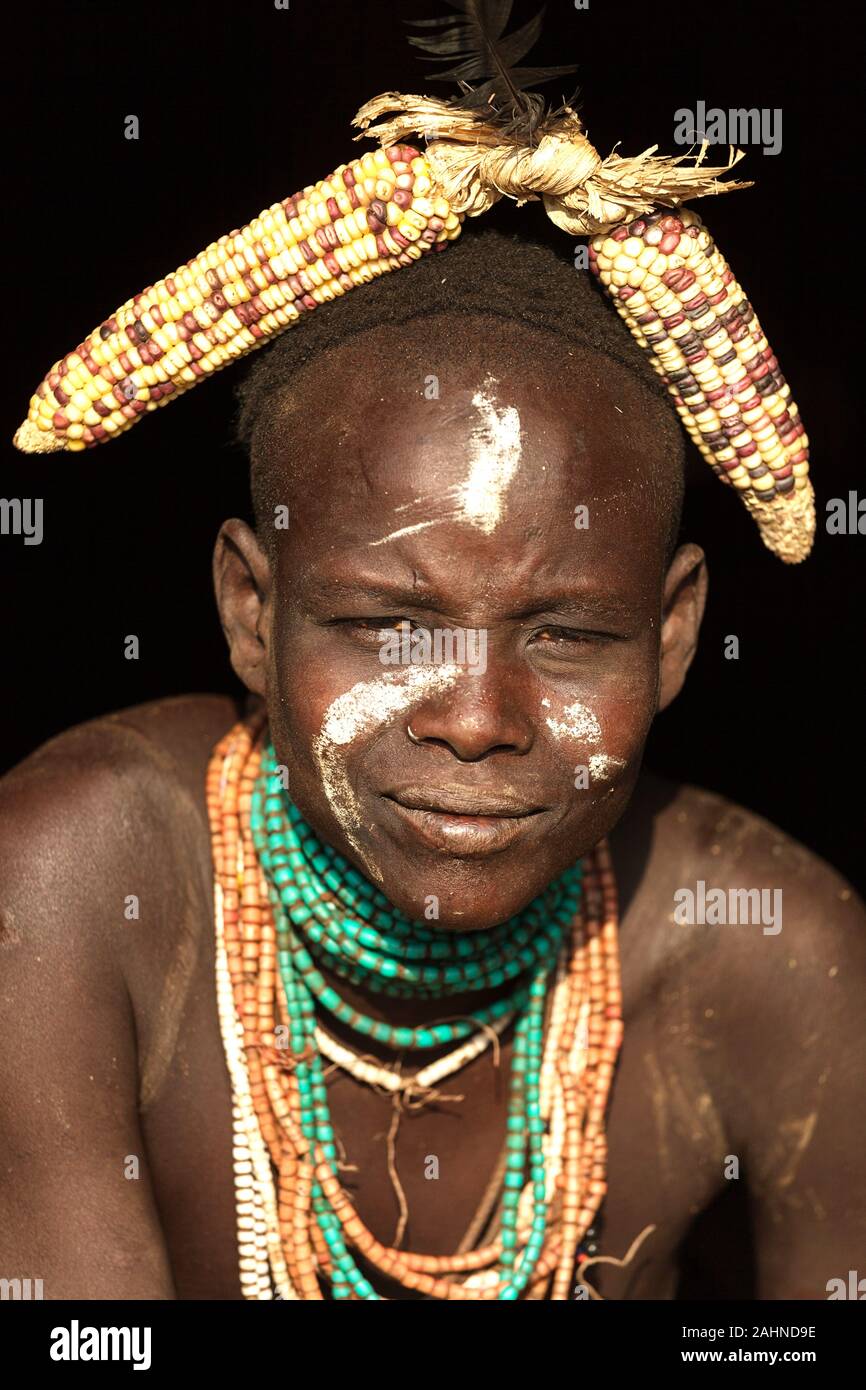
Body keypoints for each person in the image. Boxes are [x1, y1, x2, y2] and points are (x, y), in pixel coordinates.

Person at [1, 231, 863, 1300]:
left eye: (566, 636)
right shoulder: (71, 883)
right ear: (251, 613)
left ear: (672, 635)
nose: (474, 719)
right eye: (387, 627)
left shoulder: (770, 953)